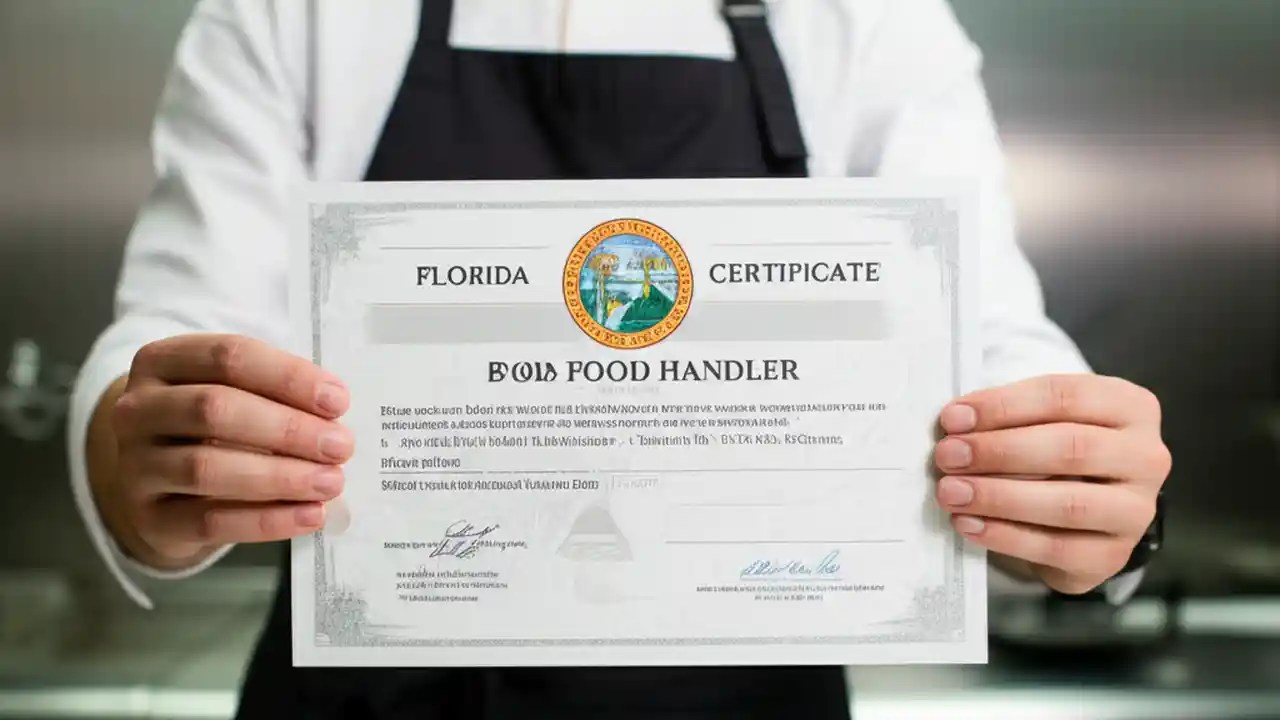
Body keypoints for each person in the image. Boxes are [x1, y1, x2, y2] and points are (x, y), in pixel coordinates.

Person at [68, 1, 1171, 718]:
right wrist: (138, 461)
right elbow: (179, 327)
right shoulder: (296, 11)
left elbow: (982, 343)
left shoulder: (864, 18)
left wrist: (1075, 482)